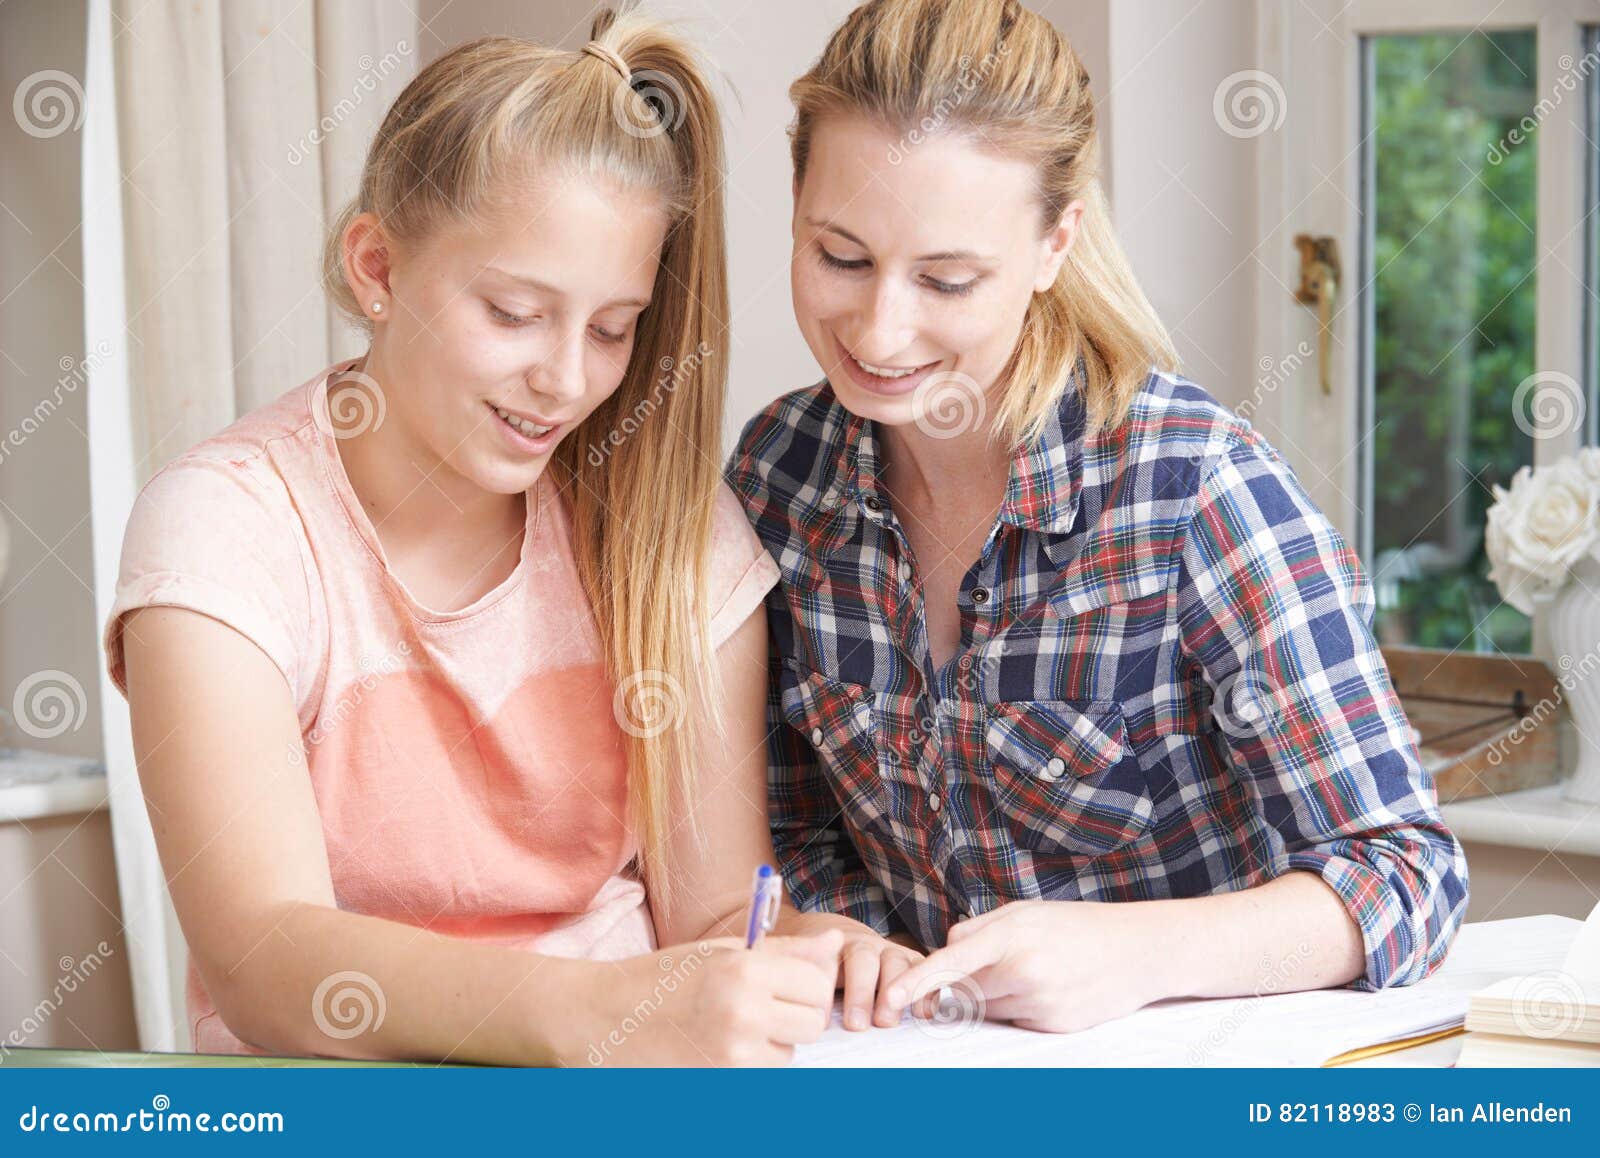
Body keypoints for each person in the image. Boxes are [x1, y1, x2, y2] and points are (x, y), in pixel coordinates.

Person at [105, 12, 840, 1067]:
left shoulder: (666, 532)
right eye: (514, 311)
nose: (567, 379)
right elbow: (265, 961)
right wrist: (601, 1019)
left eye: (611, 327)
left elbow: (718, 921)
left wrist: (815, 959)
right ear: (377, 267)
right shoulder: (225, 530)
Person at [726, 0, 1469, 1035]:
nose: (878, 327)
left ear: (1052, 244)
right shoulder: (777, 478)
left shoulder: (1195, 491)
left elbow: (1407, 874)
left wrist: (1137, 953)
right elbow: (788, 832)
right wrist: (829, 932)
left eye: (947, 278)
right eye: (840, 257)